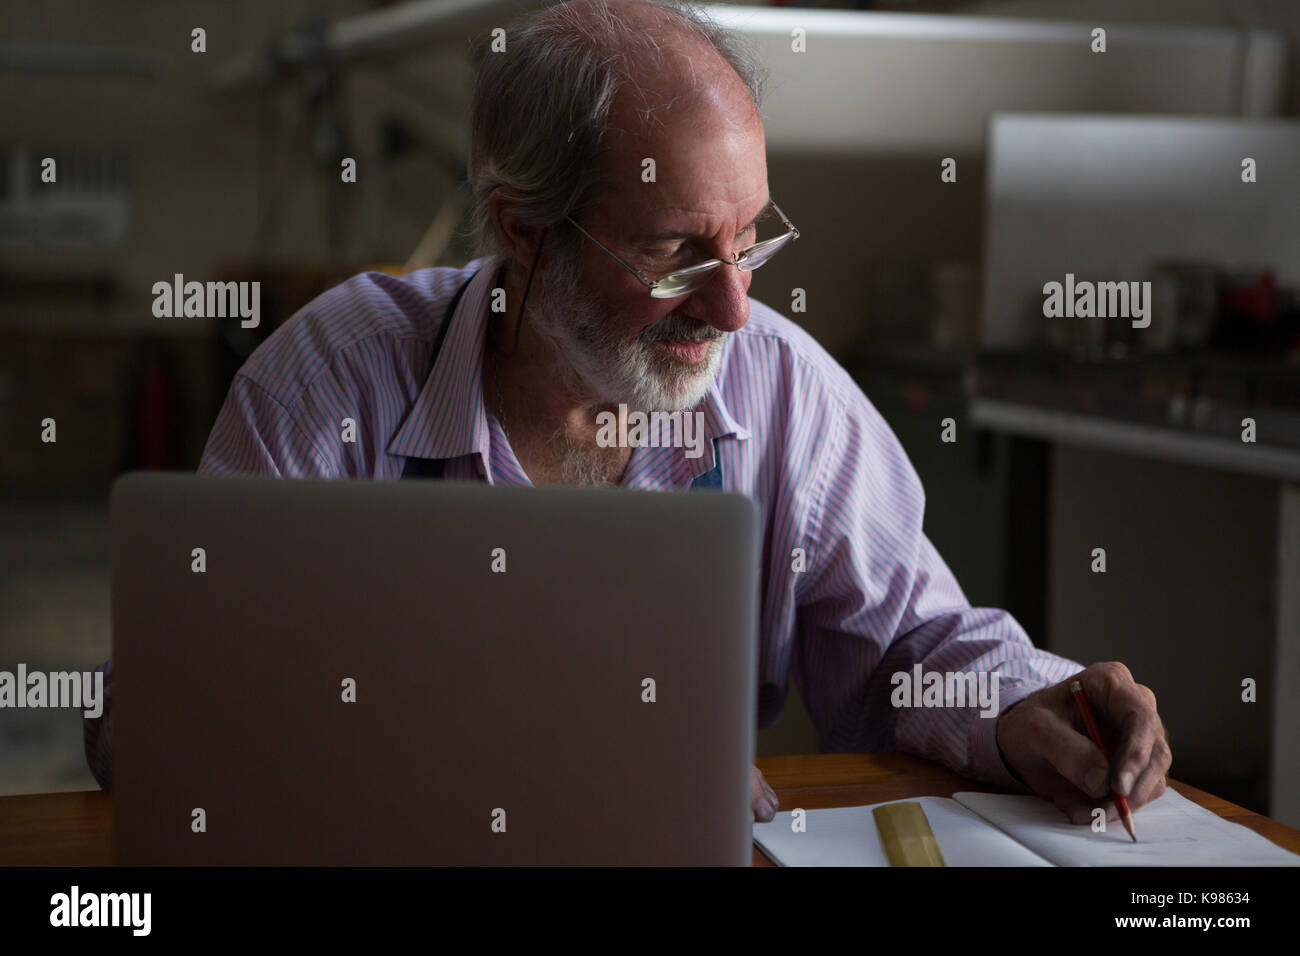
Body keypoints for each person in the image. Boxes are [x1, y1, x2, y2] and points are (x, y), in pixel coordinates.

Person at [87, 0, 1171, 829]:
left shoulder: (778, 389)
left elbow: (910, 644)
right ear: (521, 230)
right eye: (676, 252)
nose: (734, 303)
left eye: (749, 239)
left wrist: (1032, 699)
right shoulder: (335, 381)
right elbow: (150, 719)